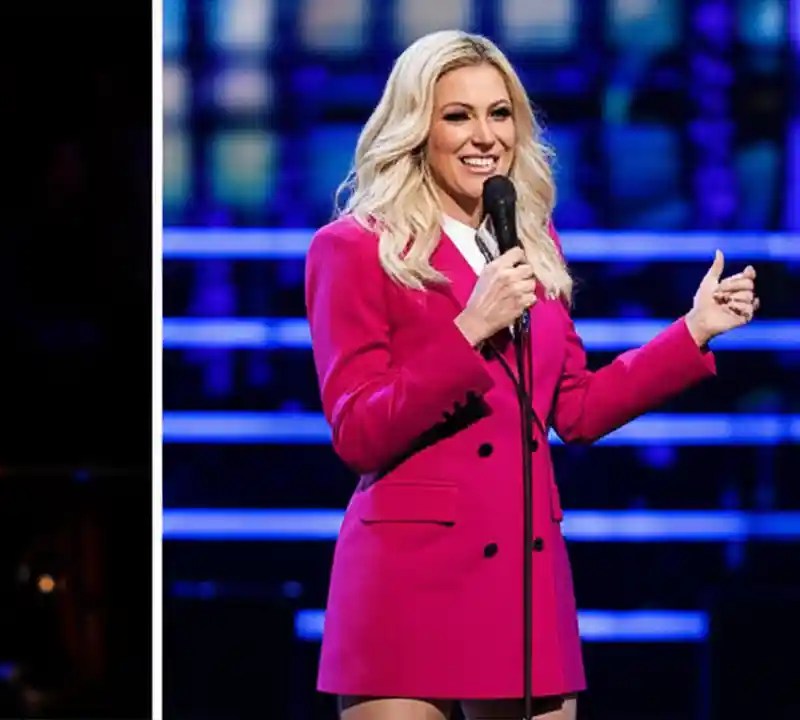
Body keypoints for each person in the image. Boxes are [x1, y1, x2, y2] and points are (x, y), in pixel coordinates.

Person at [304, 30, 759, 720]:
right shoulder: (354, 249)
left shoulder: (532, 242)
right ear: (416, 127)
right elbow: (359, 432)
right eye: (457, 115)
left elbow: (575, 409)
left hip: (520, 574)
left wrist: (691, 331)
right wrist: (469, 328)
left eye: (500, 112)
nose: (484, 135)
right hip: (405, 575)